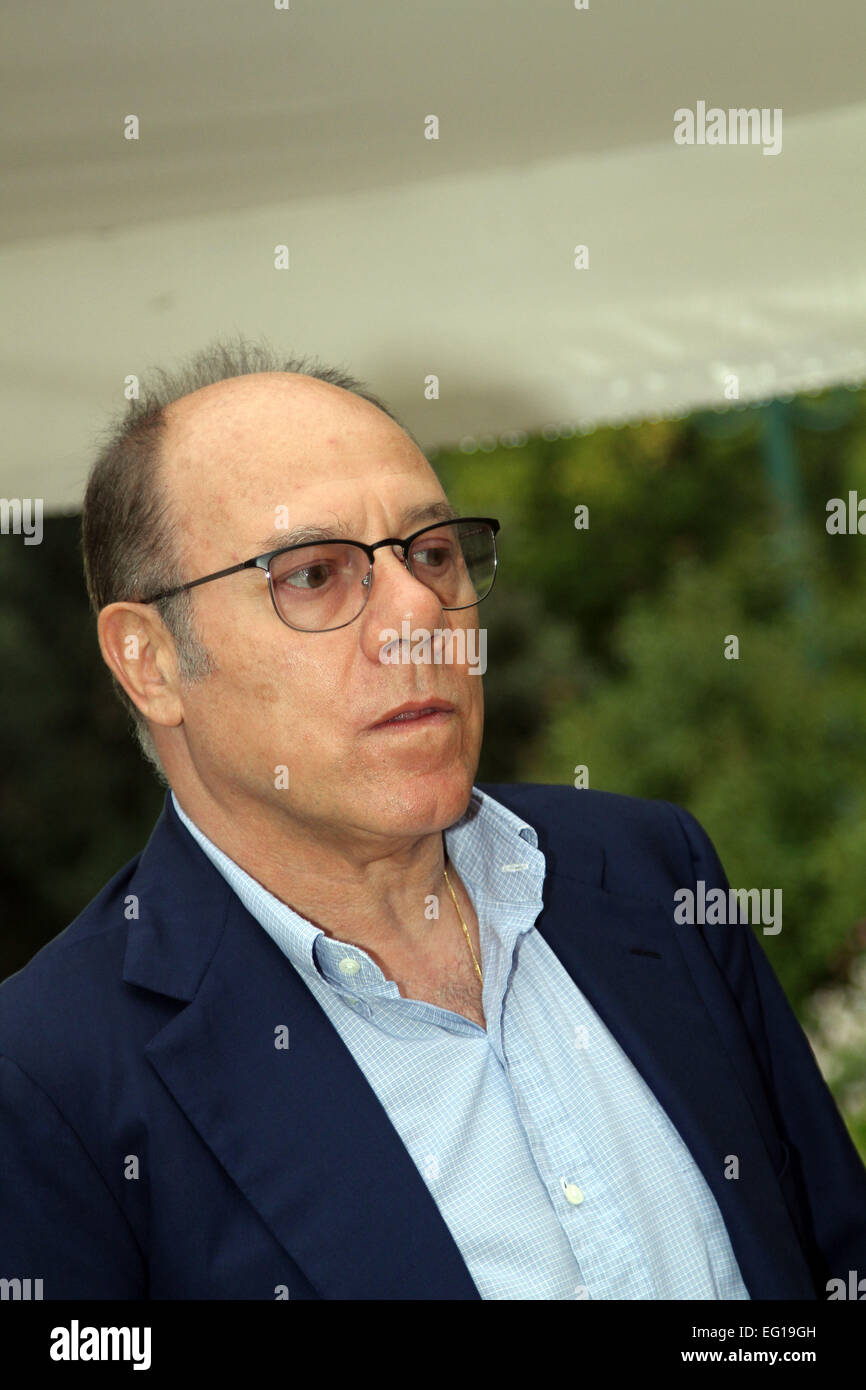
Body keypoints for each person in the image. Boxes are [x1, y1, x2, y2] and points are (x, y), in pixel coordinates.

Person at [1, 340, 864, 1301]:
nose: (420, 613)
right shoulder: (47, 1079)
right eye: (315, 574)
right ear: (151, 660)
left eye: (432, 553)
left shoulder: (652, 869)